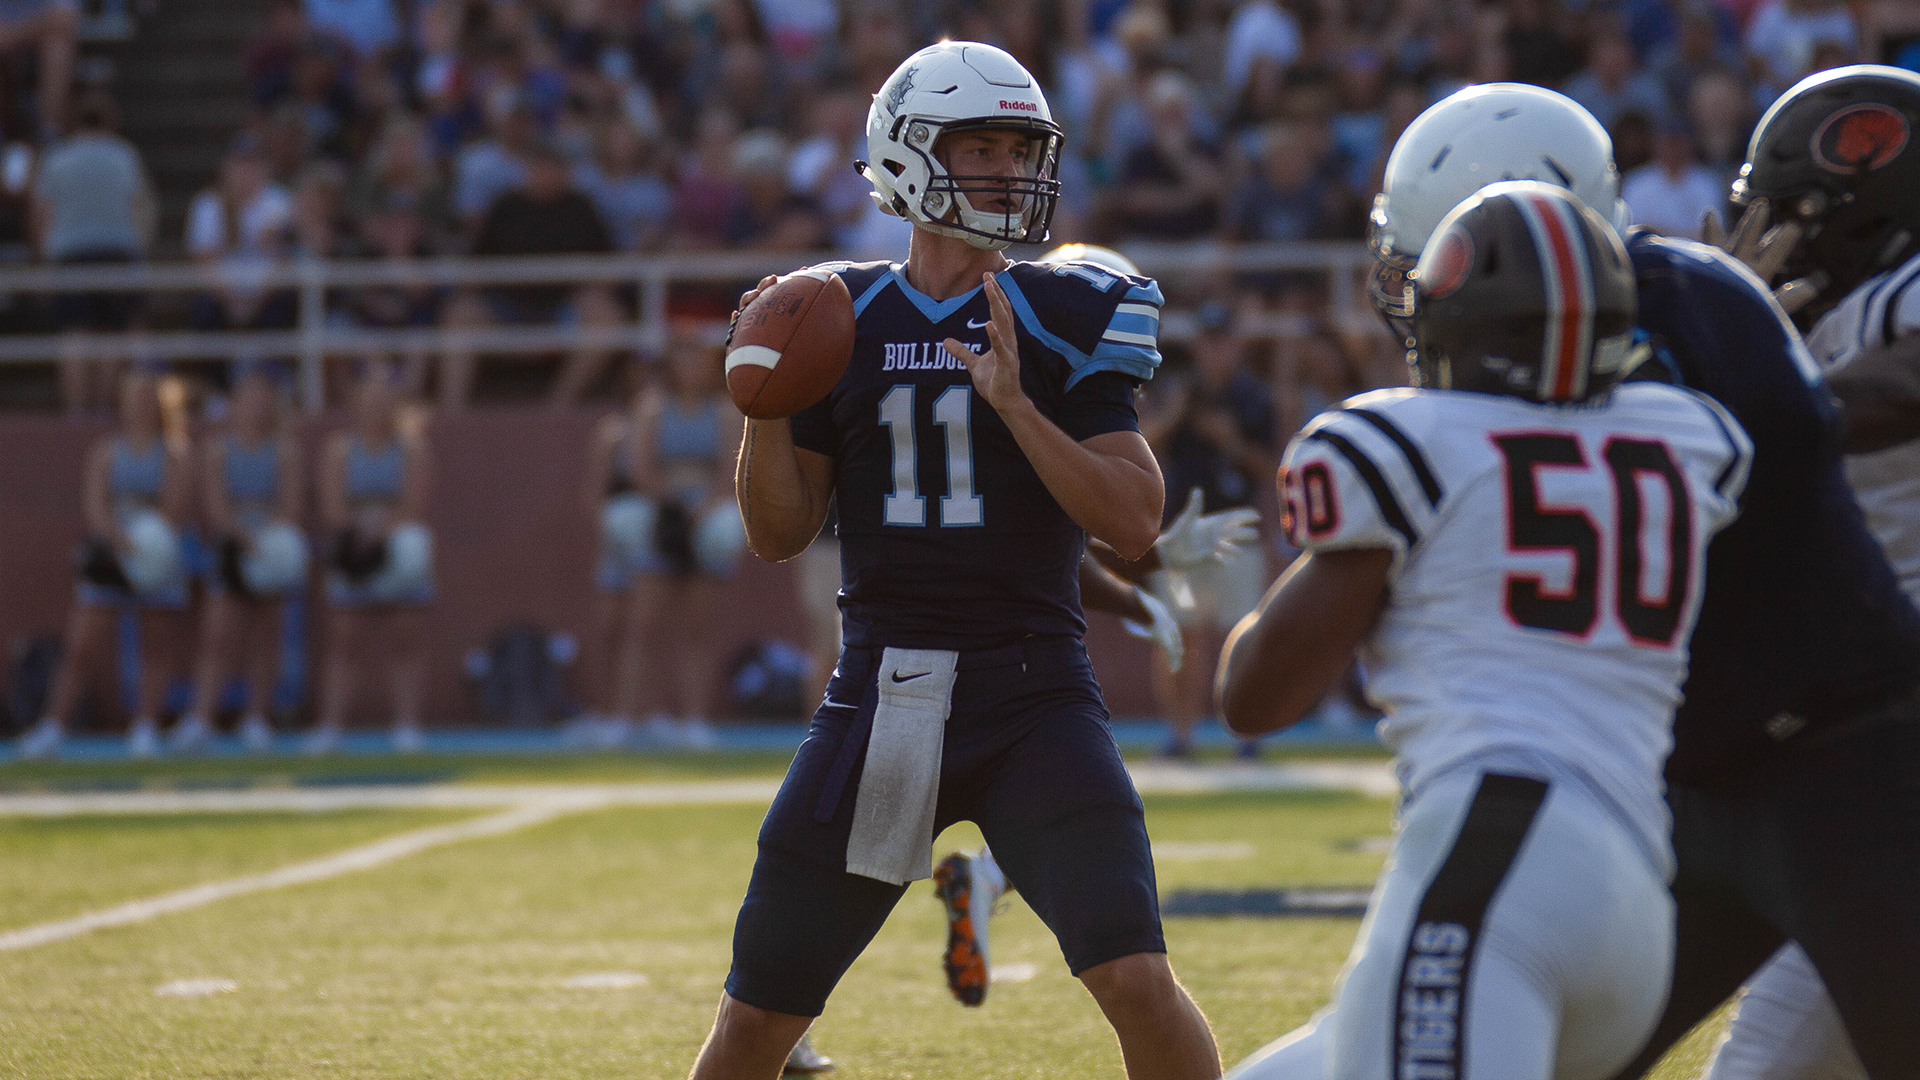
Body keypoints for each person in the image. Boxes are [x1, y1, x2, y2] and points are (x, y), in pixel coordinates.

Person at [1223, 80, 1920, 1080]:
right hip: (1672, 794)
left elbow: (1259, 690)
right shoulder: (1701, 339)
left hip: (1839, 772)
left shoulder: (1466, 424)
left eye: (1437, 270)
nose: (1420, 302)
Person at [688, 41, 1221, 1080]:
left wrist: (1017, 407)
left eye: (1020, 150)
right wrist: (765, 403)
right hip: (882, 694)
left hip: (1034, 698)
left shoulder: (1067, 310)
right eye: (979, 145)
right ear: (907, 153)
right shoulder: (832, 314)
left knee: (1135, 979)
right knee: (754, 1024)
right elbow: (777, 533)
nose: (1008, 172)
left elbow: (1133, 520)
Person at [1218, 180, 1750, 1080]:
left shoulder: (1410, 443)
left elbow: (1254, 697)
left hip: (1503, 851)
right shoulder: (1688, 437)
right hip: (1635, 895)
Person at [1653, 63, 1920, 1080]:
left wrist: (1750, 367)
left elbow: (1885, 393)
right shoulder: (1804, 330)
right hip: (1804, 751)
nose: (1776, 239)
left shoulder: (1888, 310)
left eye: (1798, 214)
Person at [17, 368, 194, 760]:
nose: (140, 409)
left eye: (148, 401)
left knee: (156, 644)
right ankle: (52, 727)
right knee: (82, 644)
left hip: (155, 559)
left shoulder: (174, 453)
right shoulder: (107, 450)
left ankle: (146, 726)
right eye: (133, 401)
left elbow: (174, 507)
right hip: (111, 556)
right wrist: (115, 538)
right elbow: (95, 501)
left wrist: (146, 542)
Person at [1138, 300, 1274, 759]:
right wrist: (1177, 414)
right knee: (1180, 632)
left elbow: (1271, 467)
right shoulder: (1179, 393)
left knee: (1242, 633)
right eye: (1208, 342)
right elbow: (1142, 445)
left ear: (1235, 345)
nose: (1215, 352)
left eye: (1223, 341)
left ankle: (1246, 735)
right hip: (1183, 526)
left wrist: (1229, 441)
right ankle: (1181, 734)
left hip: (1235, 524)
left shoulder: (1254, 397)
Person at [610, 332, 746, 743]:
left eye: (698, 360)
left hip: (704, 521)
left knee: (698, 625)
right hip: (662, 520)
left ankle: (694, 720)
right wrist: (671, 507)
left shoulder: (724, 412)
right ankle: (628, 718)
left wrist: (702, 510)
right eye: (682, 359)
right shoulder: (651, 409)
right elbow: (639, 466)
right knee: (643, 623)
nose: (691, 368)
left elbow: (732, 468)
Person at [170, 362, 307, 754]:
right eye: (247, 399)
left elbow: (291, 503)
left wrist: (269, 541)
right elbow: (215, 506)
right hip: (232, 549)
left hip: (271, 548)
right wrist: (244, 539)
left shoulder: (285, 450)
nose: (254, 408)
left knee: (266, 636)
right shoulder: (217, 448)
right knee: (218, 635)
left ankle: (258, 717)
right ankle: (201, 717)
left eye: (262, 400)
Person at [438, 142, 622, 410]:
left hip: (562, 311)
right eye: (540, 166)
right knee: (460, 314)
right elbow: (476, 264)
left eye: (553, 167)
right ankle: (452, 412)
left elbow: (609, 264)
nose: (546, 173)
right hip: (506, 310)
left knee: (606, 314)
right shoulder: (506, 206)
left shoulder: (582, 208)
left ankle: (558, 405)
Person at [307, 364, 433, 755]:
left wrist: (383, 530)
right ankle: (332, 727)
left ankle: (408, 726)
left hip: (395, 545)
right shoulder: (340, 449)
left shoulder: (412, 448)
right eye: (370, 401)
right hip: (354, 549)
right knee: (345, 639)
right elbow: (332, 504)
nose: (378, 410)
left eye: (385, 402)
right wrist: (357, 534)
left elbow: (414, 503)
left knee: (406, 636)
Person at [32, 89, 156, 415]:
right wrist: (138, 254)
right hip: (116, 253)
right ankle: (101, 408)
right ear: (112, 122)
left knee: (75, 335)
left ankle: (76, 412)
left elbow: (43, 215)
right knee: (111, 336)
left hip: (70, 255)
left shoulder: (57, 158)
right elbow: (140, 208)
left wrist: (44, 264)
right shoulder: (124, 156)